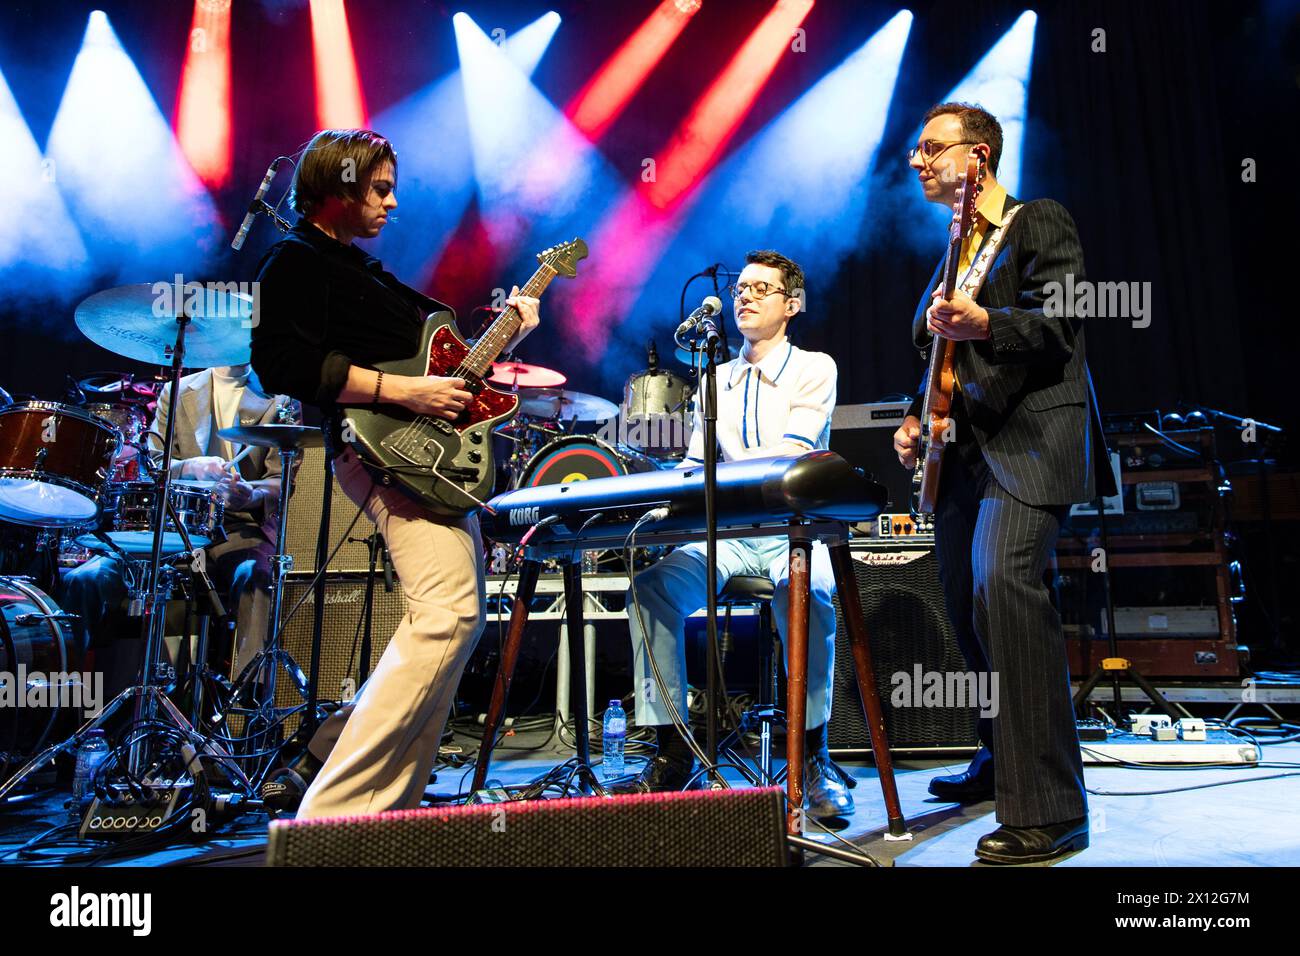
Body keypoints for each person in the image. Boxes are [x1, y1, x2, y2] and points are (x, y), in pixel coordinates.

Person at [250, 129, 539, 818]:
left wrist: (510, 334)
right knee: (446, 617)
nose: (393, 201)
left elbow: (443, 367)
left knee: (456, 622)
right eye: (379, 188)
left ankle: (391, 812)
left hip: (424, 457)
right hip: (383, 452)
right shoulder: (293, 260)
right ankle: (333, 819)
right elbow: (280, 366)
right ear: (338, 187)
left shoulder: (361, 271)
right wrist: (406, 394)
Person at [893, 102, 1115, 863]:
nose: (917, 161)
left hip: (1031, 443)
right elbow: (938, 359)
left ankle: (1051, 809)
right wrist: (914, 419)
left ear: (977, 156)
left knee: (1005, 592)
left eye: (932, 149)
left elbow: (1062, 325)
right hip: (962, 458)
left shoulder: (1037, 220)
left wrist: (986, 322)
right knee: (967, 607)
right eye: (916, 152)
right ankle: (997, 763)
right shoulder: (956, 247)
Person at [616, 249, 854, 820]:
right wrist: (650, 477)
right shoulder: (713, 378)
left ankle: (812, 752)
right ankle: (671, 748)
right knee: (650, 587)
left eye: (761, 289)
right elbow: (695, 467)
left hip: (787, 530)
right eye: (741, 287)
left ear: (791, 305)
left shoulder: (814, 367)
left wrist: (710, 473)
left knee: (813, 589)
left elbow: (789, 462)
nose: (743, 296)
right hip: (725, 534)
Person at [60, 364, 295, 698]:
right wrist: (190, 467)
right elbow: (152, 462)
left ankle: (249, 705)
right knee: (85, 579)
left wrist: (250, 494)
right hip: (175, 526)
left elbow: (281, 482)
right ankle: (61, 703)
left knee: (257, 576)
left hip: (236, 526)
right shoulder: (178, 389)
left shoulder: (281, 398)